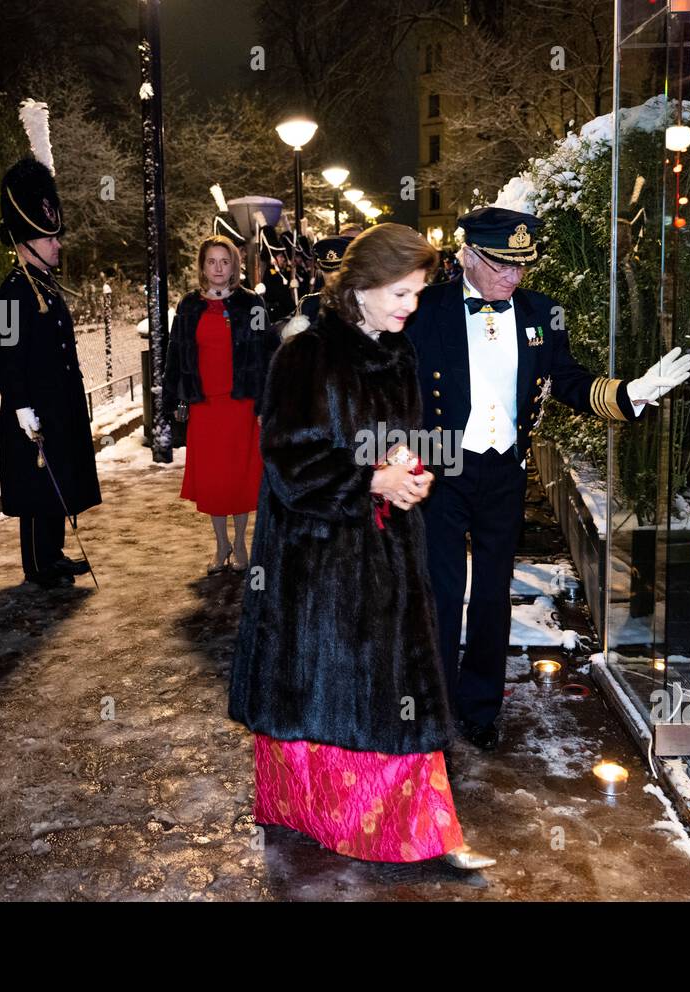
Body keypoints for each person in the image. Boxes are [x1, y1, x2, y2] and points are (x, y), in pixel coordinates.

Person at [230, 224, 495, 870]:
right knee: (328, 700)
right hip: (315, 568)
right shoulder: (305, 355)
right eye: (401, 292)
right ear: (362, 288)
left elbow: (404, 441)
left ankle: (426, 833)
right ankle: (329, 821)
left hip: (385, 557)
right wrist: (369, 480)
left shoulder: (396, 355)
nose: (411, 305)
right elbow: (289, 463)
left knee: (399, 691)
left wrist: (413, 471)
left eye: (417, 293)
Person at [406, 206, 690, 751]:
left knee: (492, 594)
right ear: (467, 256)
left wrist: (631, 394)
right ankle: (432, 714)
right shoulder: (425, 310)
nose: (514, 278)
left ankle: (480, 709)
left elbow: (568, 381)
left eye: (521, 267)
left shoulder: (541, 313)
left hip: (505, 470)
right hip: (439, 470)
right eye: (501, 266)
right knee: (438, 594)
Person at [0, 156, 101, 590]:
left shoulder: (45, 286)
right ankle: (38, 565)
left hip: (57, 405)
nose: (57, 246)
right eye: (47, 239)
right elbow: (7, 357)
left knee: (56, 480)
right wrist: (20, 407)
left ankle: (52, 554)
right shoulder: (11, 294)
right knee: (39, 485)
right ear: (25, 243)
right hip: (32, 407)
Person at [164, 235, 271, 573]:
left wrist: (265, 404)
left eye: (224, 261)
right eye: (211, 261)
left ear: (234, 266)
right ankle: (220, 543)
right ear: (202, 266)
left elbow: (265, 354)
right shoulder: (188, 306)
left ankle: (240, 543)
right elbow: (176, 354)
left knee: (239, 477)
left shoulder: (251, 304)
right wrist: (175, 399)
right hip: (205, 405)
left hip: (241, 404)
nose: (218, 268)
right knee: (213, 479)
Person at [286, 234, 352, 324]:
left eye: (337, 271)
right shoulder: (309, 304)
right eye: (327, 271)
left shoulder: (359, 302)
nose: (332, 276)